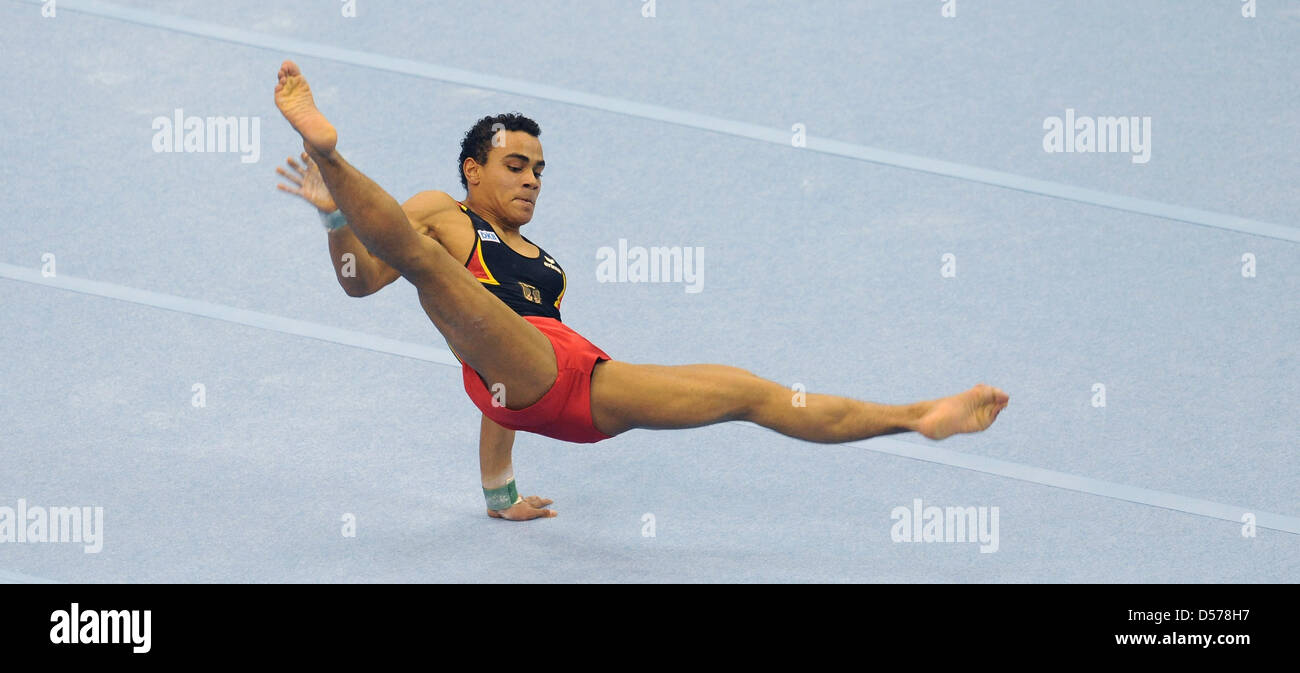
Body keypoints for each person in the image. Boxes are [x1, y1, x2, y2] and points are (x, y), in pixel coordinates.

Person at [273, 60, 1010, 522]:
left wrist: (499, 490)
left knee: (753, 393)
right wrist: (336, 216)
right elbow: (359, 282)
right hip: (521, 372)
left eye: (539, 170)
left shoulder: (544, 264)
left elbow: (511, 382)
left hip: (577, 383)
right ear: (472, 171)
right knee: (432, 270)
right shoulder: (441, 211)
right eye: (515, 165)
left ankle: (918, 415)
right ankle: (331, 152)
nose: (531, 178)